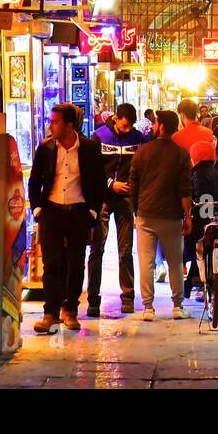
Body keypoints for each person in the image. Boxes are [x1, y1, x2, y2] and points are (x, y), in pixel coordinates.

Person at [27, 104, 107, 333]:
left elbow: (99, 182)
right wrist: (37, 209)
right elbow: (34, 181)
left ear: (69, 125)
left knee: (75, 263)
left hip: (78, 212)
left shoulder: (89, 148)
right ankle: (50, 313)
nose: (51, 125)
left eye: (56, 121)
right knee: (51, 264)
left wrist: (92, 211)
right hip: (51, 212)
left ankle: (70, 310)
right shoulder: (45, 148)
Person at [128, 110, 194, 320]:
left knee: (146, 262)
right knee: (175, 262)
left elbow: (133, 185)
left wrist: (135, 211)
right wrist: (188, 215)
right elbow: (185, 189)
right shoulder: (181, 154)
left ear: (162, 126)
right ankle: (177, 306)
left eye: (156, 122)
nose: (154, 125)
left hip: (146, 215)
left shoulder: (142, 151)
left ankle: (148, 308)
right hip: (172, 215)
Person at [86, 103, 143, 316]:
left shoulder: (138, 138)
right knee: (97, 248)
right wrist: (111, 183)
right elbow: (92, 168)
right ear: (116, 118)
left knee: (125, 250)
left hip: (126, 199)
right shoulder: (99, 136)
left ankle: (128, 296)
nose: (128, 130)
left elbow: (141, 166)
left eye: (131, 126)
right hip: (103, 197)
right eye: (125, 125)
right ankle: (93, 299)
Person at [184, 139, 218, 298]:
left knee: (196, 249)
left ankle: (190, 285)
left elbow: (201, 196)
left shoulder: (198, 173)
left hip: (203, 218)